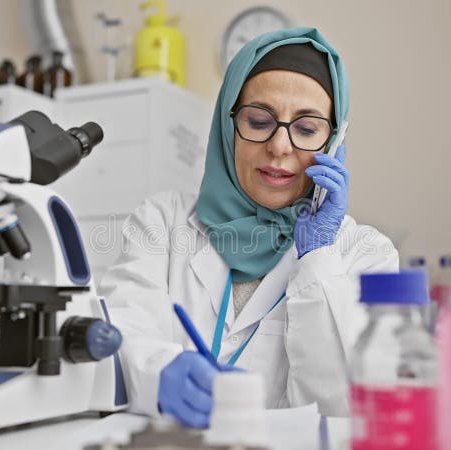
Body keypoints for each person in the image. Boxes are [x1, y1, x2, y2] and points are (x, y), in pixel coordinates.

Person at [100, 27, 398, 428]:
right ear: (228, 124)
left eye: (307, 130)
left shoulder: (365, 253)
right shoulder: (162, 221)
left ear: (334, 141)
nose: (280, 146)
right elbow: (118, 333)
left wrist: (318, 257)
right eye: (258, 121)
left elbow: (348, 408)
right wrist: (157, 372)